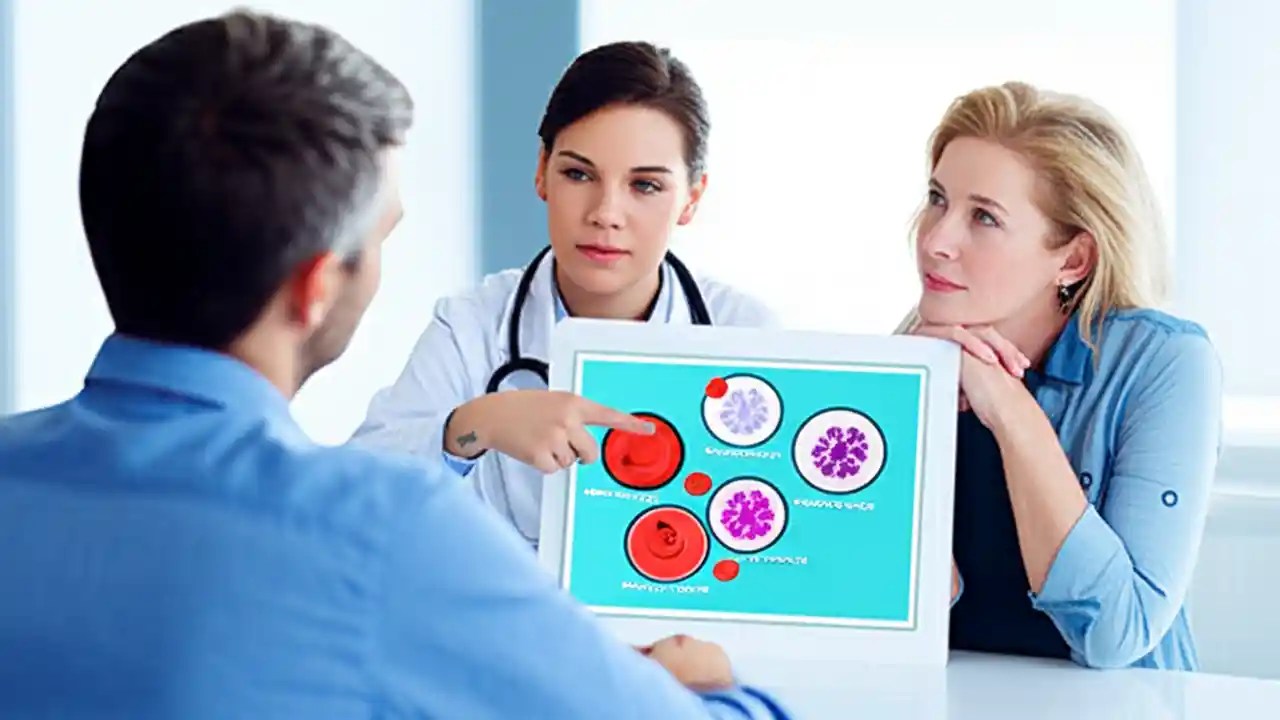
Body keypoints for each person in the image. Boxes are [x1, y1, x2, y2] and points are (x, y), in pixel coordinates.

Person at [0, 11, 787, 719]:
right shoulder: (376, 531)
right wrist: (721, 688)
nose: (607, 211)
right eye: (380, 237)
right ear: (316, 286)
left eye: (646, 184)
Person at [350, 41, 777, 547]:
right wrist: (474, 425)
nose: (605, 212)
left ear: (692, 199)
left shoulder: (746, 335)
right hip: (506, 624)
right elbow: (356, 493)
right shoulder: (472, 326)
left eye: (645, 186)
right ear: (541, 172)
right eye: (579, 174)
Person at [900, 81, 1222, 670]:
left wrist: (1008, 405)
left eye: (985, 218)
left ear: (1072, 258)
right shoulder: (916, 352)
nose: (936, 240)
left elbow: (1117, 634)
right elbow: (881, 609)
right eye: (937, 198)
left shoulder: (1164, 363)